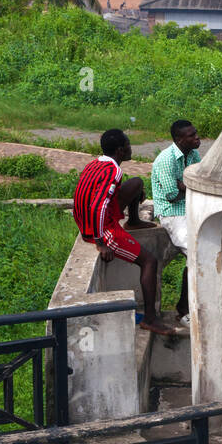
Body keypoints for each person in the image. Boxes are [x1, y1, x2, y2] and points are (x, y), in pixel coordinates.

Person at [72, 130, 172, 335]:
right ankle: (150, 319)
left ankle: (133, 222)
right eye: (128, 144)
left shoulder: (96, 163)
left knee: (136, 183)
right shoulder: (113, 171)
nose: (130, 148)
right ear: (120, 150)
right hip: (100, 229)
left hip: (88, 221)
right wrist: (100, 242)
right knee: (149, 262)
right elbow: (98, 206)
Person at [150, 119, 202, 324]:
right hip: (172, 213)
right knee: (195, 252)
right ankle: (185, 311)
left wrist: (184, 184)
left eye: (195, 133)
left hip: (190, 208)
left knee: (206, 250)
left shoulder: (194, 155)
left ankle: (187, 305)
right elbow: (171, 194)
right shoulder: (166, 160)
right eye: (191, 135)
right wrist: (187, 186)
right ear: (180, 139)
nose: (197, 137)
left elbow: (199, 181)